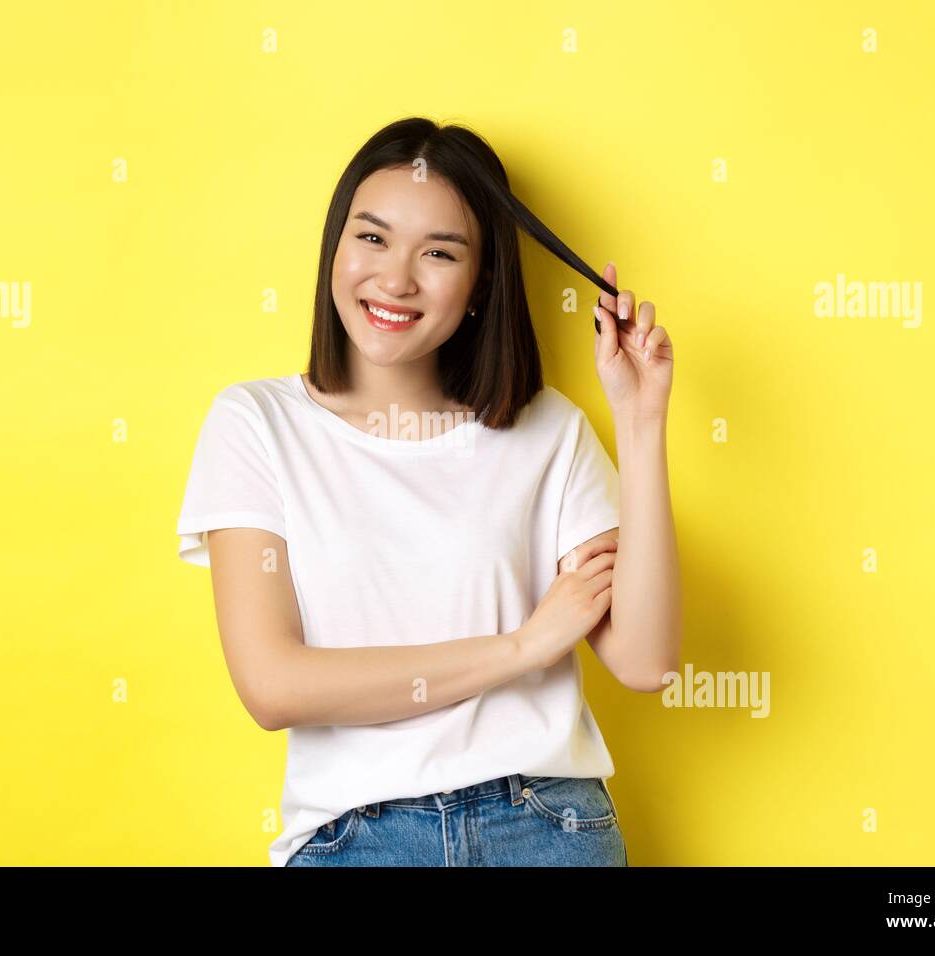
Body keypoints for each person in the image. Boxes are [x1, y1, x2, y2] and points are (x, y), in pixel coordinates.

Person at [176, 116, 680, 866]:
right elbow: (274, 686)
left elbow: (646, 663)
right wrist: (520, 647)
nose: (395, 279)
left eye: (439, 253)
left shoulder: (548, 430)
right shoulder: (256, 424)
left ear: (480, 285)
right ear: (335, 250)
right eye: (371, 238)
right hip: (355, 837)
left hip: (545, 826)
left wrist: (640, 422)